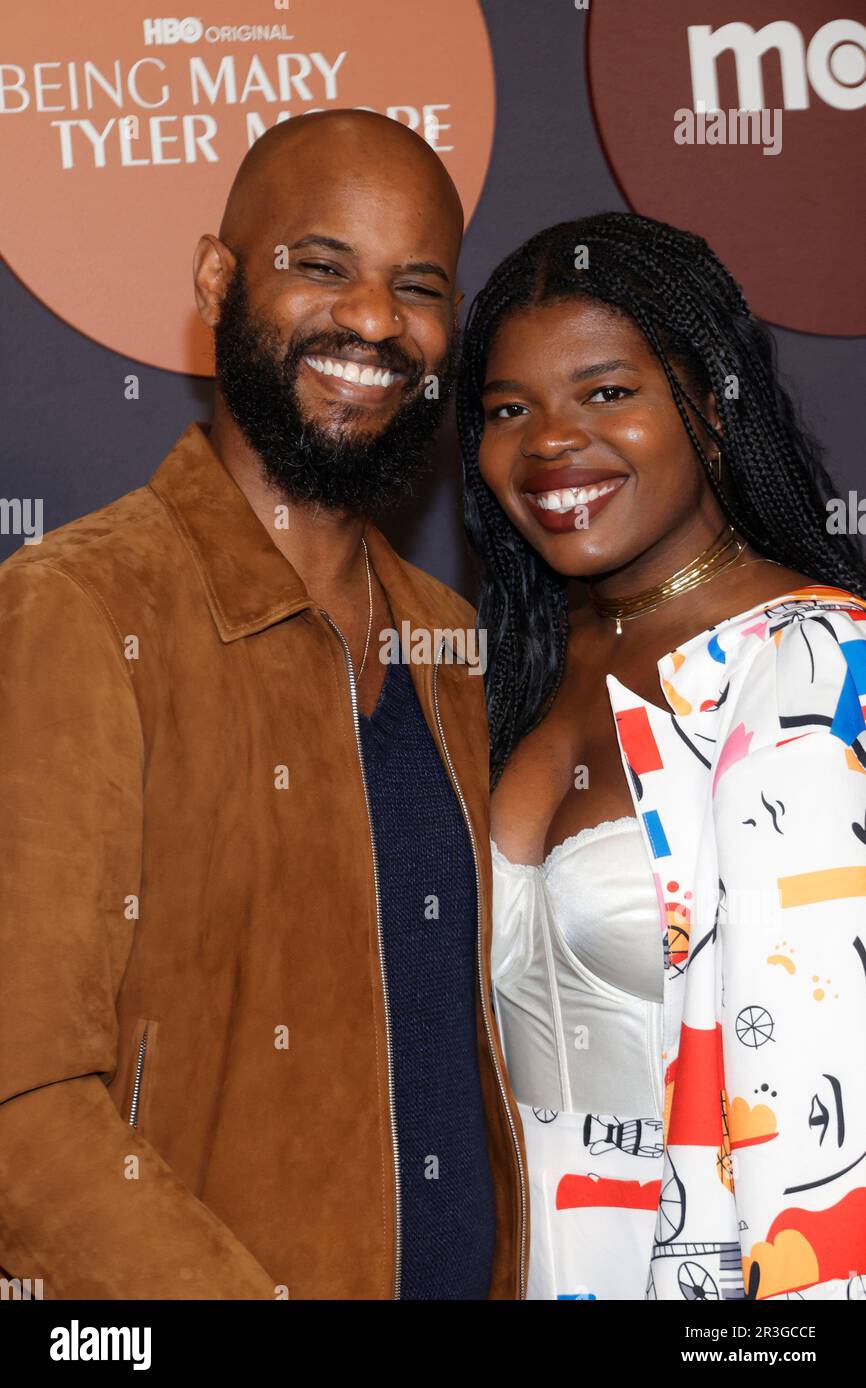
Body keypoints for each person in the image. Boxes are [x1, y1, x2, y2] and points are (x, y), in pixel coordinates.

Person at [0, 111, 527, 1301]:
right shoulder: (75, 609)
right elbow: (23, 1103)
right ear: (217, 278)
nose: (375, 321)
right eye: (321, 265)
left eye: (417, 285)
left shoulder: (448, 641)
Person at [457, 212, 866, 1301]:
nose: (549, 442)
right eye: (508, 409)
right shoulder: (504, 679)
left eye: (605, 393)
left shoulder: (814, 667)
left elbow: (828, 1130)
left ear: (714, 410)